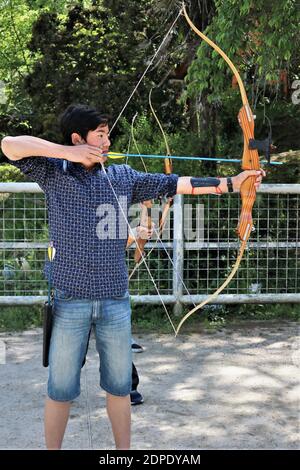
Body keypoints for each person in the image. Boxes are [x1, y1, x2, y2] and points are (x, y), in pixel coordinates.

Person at [1, 104, 265, 450]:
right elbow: (9, 145)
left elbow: (174, 183)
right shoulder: (54, 172)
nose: (107, 141)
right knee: (61, 389)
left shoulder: (122, 177)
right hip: (69, 301)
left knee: (120, 388)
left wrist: (231, 183)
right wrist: (70, 153)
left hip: (114, 301)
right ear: (79, 138)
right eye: (100, 134)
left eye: (108, 134)